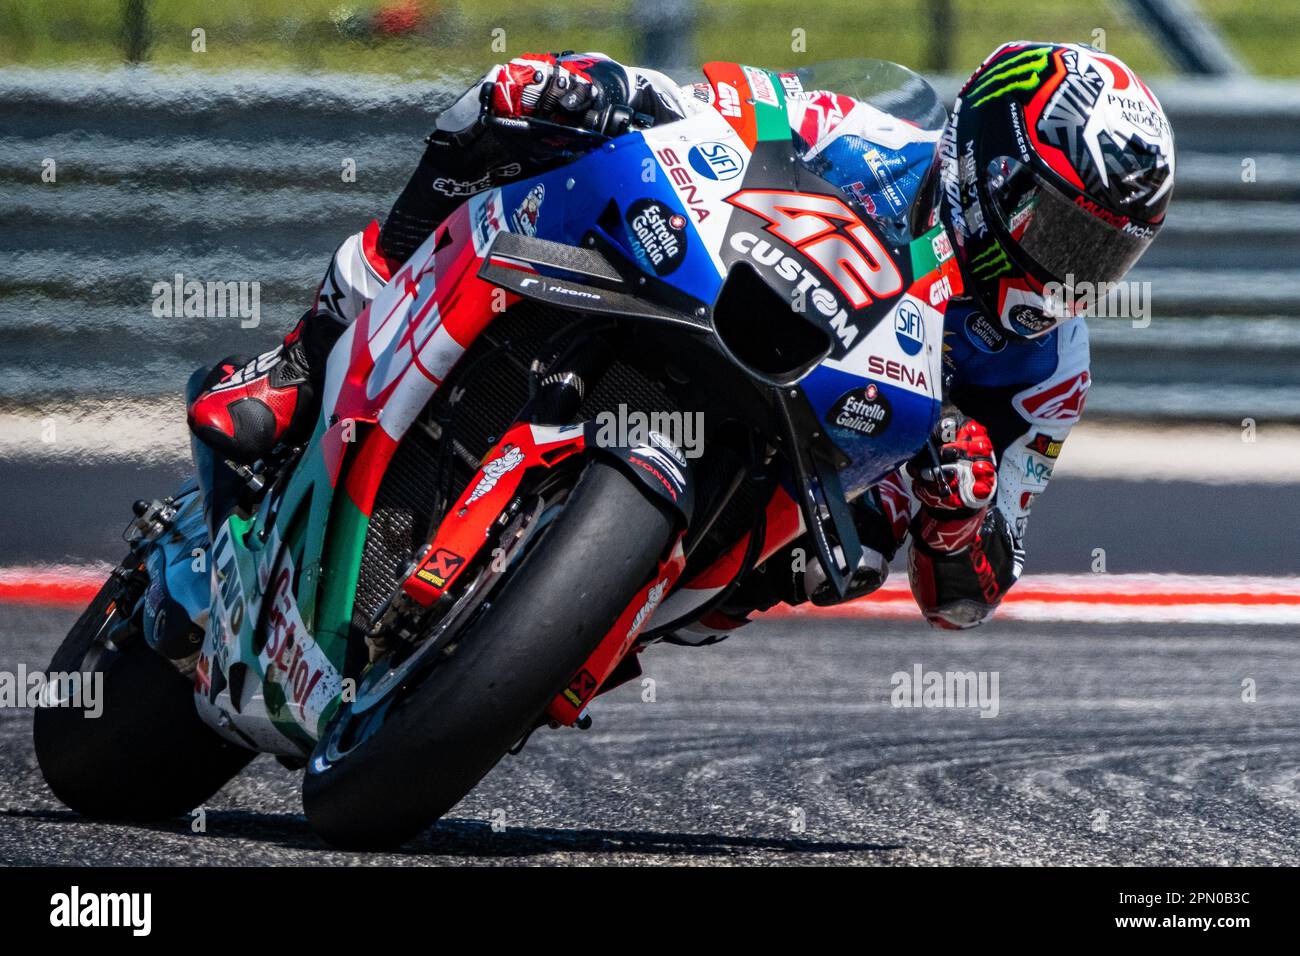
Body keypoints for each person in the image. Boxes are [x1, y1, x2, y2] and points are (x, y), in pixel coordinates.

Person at [188, 42, 1175, 631]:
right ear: (988, 166)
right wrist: (611, 94)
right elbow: (704, 104)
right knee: (511, 102)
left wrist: (956, 518)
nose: (1070, 271)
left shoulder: (1049, 371)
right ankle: (307, 354)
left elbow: (968, 592)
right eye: (1062, 230)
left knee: (862, 555)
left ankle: (587, 626)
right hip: (712, 308)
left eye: (1103, 253)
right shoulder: (864, 138)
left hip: (798, 488)